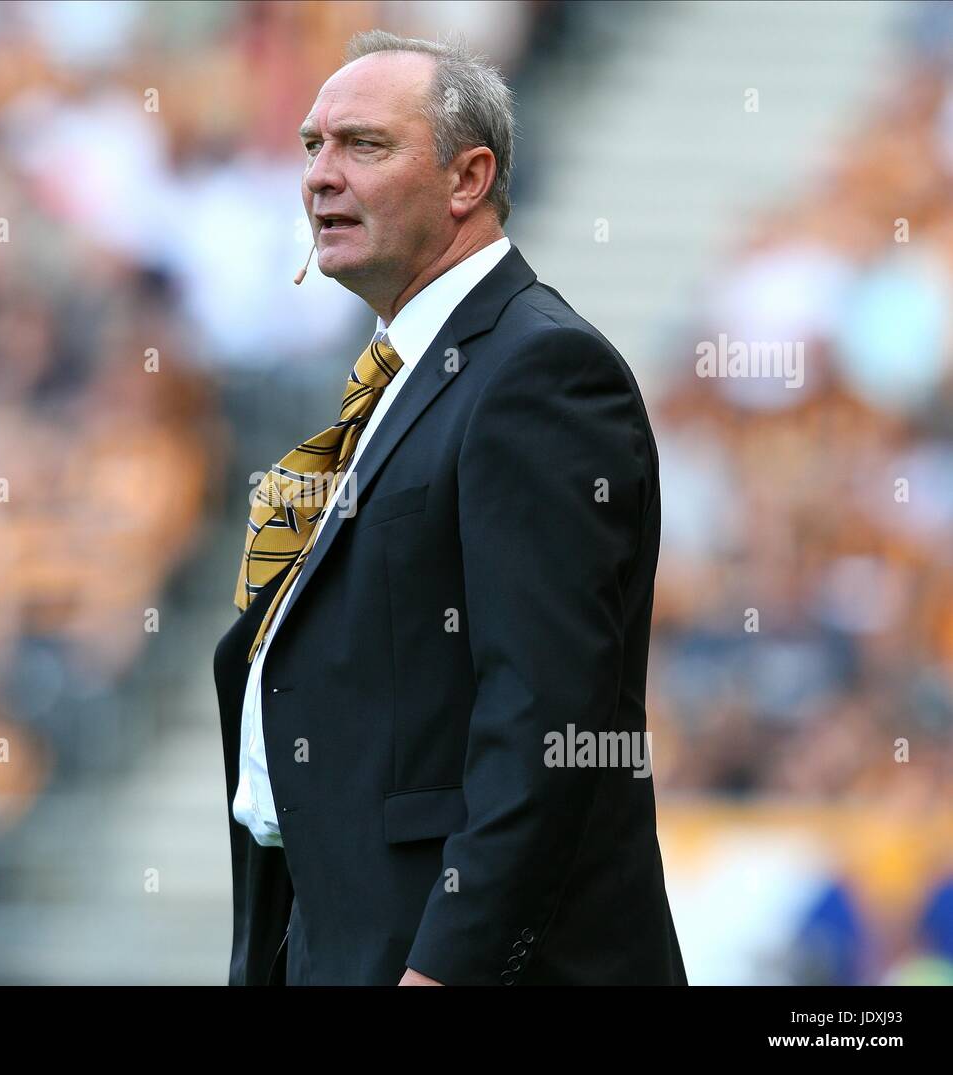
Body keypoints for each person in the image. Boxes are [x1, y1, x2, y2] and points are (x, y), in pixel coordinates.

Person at [213, 29, 687, 986]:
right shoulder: (401, 376)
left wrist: (448, 970)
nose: (320, 177)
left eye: (363, 146)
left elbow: (545, 715)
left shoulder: (541, 372)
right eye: (312, 146)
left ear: (469, 177)